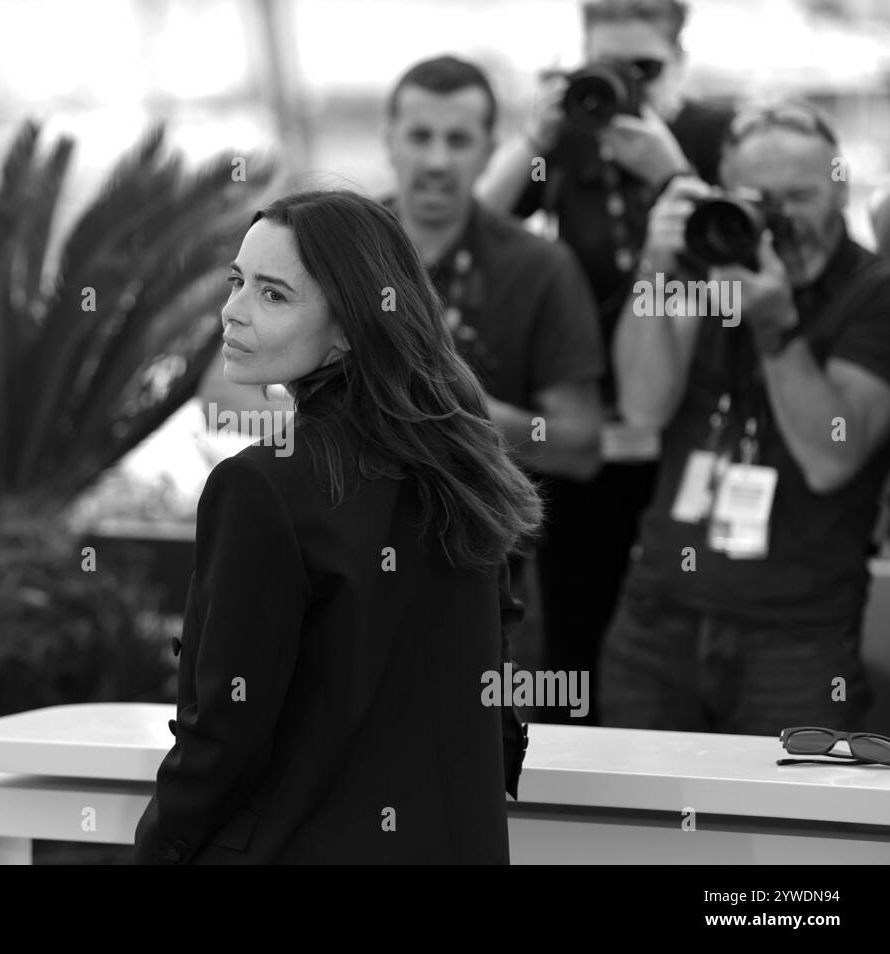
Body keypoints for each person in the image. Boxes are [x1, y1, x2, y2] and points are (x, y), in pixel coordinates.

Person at [132, 189, 543, 864]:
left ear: (350, 327)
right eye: (236, 283)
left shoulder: (260, 486)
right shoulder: (462, 467)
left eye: (273, 295)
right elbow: (490, 705)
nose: (232, 312)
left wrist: (157, 851)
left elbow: (223, 736)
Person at [474, 0, 734, 725]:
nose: (624, 86)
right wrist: (539, 133)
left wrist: (673, 169)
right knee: (578, 633)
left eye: (643, 69)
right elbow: (471, 234)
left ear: (680, 60)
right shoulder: (567, 142)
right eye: (606, 68)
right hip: (587, 433)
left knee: (678, 635)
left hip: (691, 431)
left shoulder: (712, 132)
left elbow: (745, 258)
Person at [603, 100, 890, 733]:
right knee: (638, 826)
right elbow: (644, 405)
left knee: (794, 828)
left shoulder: (875, 291)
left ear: (841, 188)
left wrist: (775, 330)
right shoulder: (709, 270)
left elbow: (831, 457)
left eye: (803, 194)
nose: (784, 218)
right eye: (762, 198)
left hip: (798, 637)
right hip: (658, 617)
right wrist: (657, 268)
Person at [380, 55, 604, 722]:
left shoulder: (540, 268)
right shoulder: (326, 248)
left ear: (489, 150)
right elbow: (229, 391)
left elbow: (581, 445)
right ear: (388, 140)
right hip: (336, 578)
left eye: (459, 139)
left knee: (493, 796)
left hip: (487, 593)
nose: (438, 159)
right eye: (420, 136)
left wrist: (455, 405)